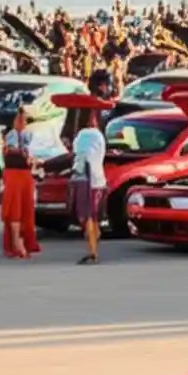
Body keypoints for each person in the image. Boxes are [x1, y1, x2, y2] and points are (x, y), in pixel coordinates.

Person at [0, 106, 40, 260]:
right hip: (15, 173)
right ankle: (16, 242)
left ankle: (22, 240)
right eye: (20, 118)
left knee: (25, 208)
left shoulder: (27, 134)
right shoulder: (12, 135)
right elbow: (12, 151)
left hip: (24, 174)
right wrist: (25, 155)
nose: (22, 122)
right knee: (15, 208)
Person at [69, 109, 107, 265]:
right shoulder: (99, 136)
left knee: (86, 217)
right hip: (99, 180)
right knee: (94, 216)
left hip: (84, 179)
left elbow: (78, 155)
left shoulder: (81, 136)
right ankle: (94, 244)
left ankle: (92, 251)